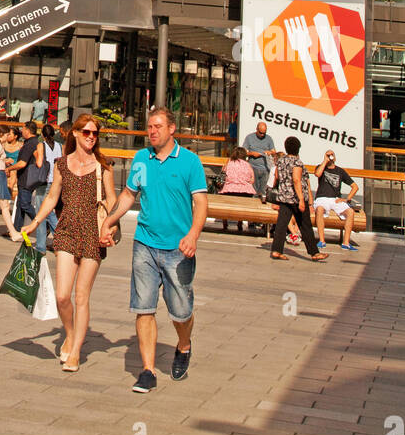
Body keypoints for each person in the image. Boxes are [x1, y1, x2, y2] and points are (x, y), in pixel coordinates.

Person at [100, 106, 208, 394]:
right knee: (143, 307)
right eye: (149, 127)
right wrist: (109, 221)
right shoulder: (141, 159)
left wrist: (193, 235)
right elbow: (127, 195)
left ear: (172, 129)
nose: (152, 131)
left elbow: (200, 203)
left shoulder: (190, 162)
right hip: (145, 245)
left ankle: (183, 346)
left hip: (178, 249)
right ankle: (147, 370)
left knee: (180, 311)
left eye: (158, 126)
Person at [22, 114, 116, 372]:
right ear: (74, 133)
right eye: (86, 132)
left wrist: (112, 225)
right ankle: (71, 333)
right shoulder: (61, 164)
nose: (91, 137)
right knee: (63, 296)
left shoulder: (103, 167)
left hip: (92, 234)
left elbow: (111, 202)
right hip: (66, 231)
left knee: (81, 296)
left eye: (94, 133)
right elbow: (52, 197)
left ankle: (75, 351)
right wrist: (35, 222)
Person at [270, 137, 327, 262]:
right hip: (296, 198)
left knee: (281, 224)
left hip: (284, 197)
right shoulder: (297, 162)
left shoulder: (281, 161)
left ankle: (276, 250)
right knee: (305, 225)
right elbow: (296, 180)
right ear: (298, 148)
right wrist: (301, 199)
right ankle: (314, 253)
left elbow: (277, 176)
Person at [7, 121, 47, 243]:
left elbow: (22, 163)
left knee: (24, 204)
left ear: (28, 131)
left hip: (26, 179)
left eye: (23, 129)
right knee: (20, 205)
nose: (21, 131)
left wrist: (9, 168)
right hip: (27, 178)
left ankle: (41, 223)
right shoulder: (32, 142)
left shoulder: (30, 144)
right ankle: (16, 230)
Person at [313, 150, 360, 251]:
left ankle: (346, 242)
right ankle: (322, 240)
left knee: (350, 212)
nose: (330, 157)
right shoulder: (321, 167)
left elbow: (355, 187)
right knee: (320, 209)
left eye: (332, 155)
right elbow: (317, 174)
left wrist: (347, 199)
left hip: (335, 199)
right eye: (328, 155)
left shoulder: (340, 171)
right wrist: (324, 161)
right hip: (322, 197)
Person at [34, 123, 62, 250]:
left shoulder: (41, 145)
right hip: (56, 182)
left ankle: (41, 246)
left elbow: (39, 163)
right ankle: (61, 240)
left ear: (42, 135)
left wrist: (35, 156)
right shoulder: (60, 146)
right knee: (49, 211)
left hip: (44, 182)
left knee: (42, 213)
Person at [219, 146, 257, 234]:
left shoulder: (229, 163)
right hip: (245, 192)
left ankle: (225, 222)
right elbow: (252, 180)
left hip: (229, 190)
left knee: (225, 203)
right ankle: (239, 222)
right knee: (242, 204)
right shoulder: (248, 165)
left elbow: (223, 176)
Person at [242, 120, 276, 198]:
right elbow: (243, 152)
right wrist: (252, 153)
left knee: (263, 192)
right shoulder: (249, 137)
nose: (262, 135)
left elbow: (274, 152)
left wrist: (270, 152)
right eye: (260, 133)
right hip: (253, 167)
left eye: (264, 133)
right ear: (256, 129)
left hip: (265, 168)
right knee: (253, 191)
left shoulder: (269, 138)